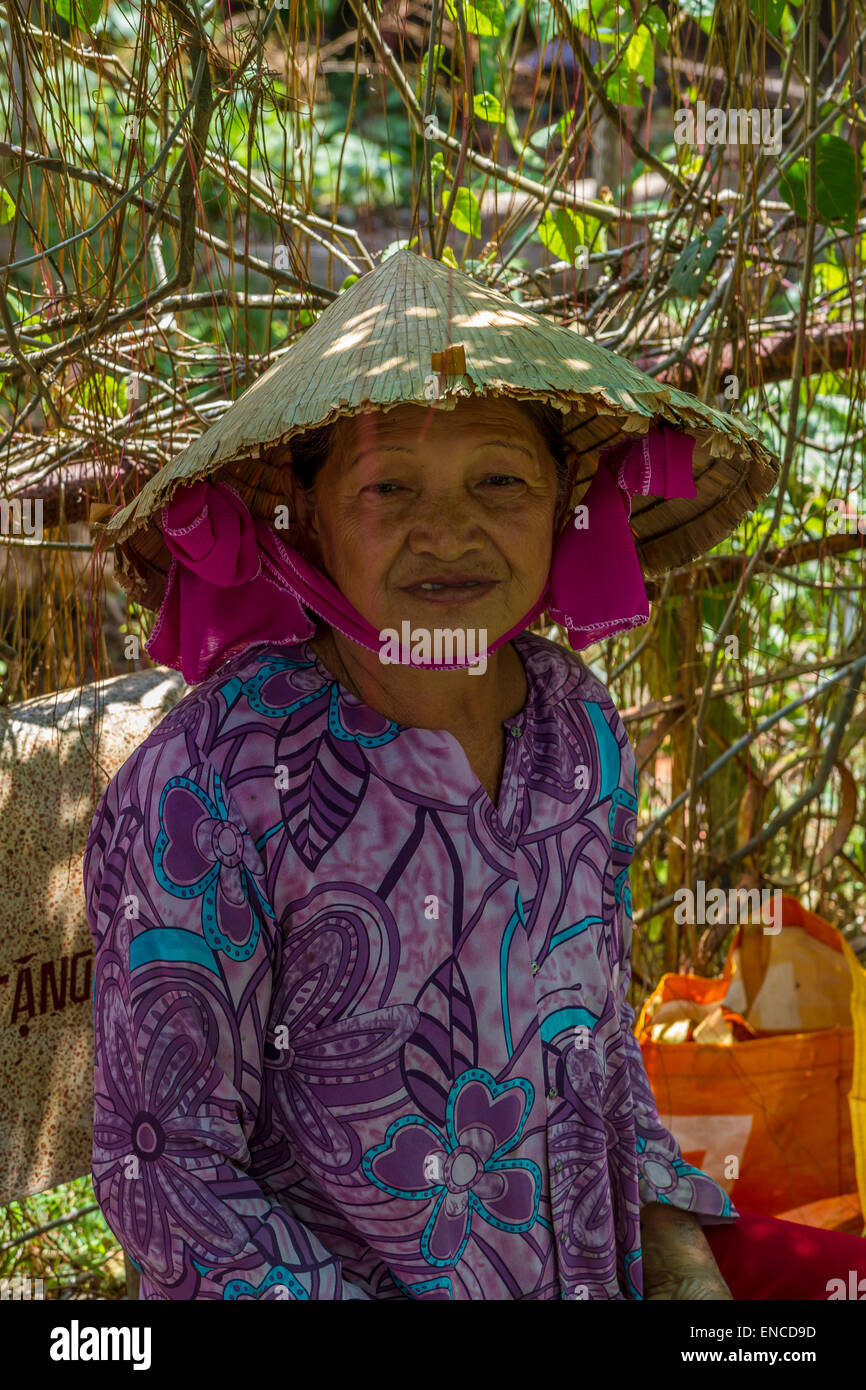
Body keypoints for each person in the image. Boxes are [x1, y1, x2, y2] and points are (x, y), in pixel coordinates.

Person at [84, 252, 863, 1299]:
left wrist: (681, 1266)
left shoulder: (577, 729)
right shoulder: (215, 784)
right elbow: (166, 1172)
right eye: (385, 486)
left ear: (560, 509)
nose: (445, 530)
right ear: (306, 518)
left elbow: (592, 1064)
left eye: (498, 480)